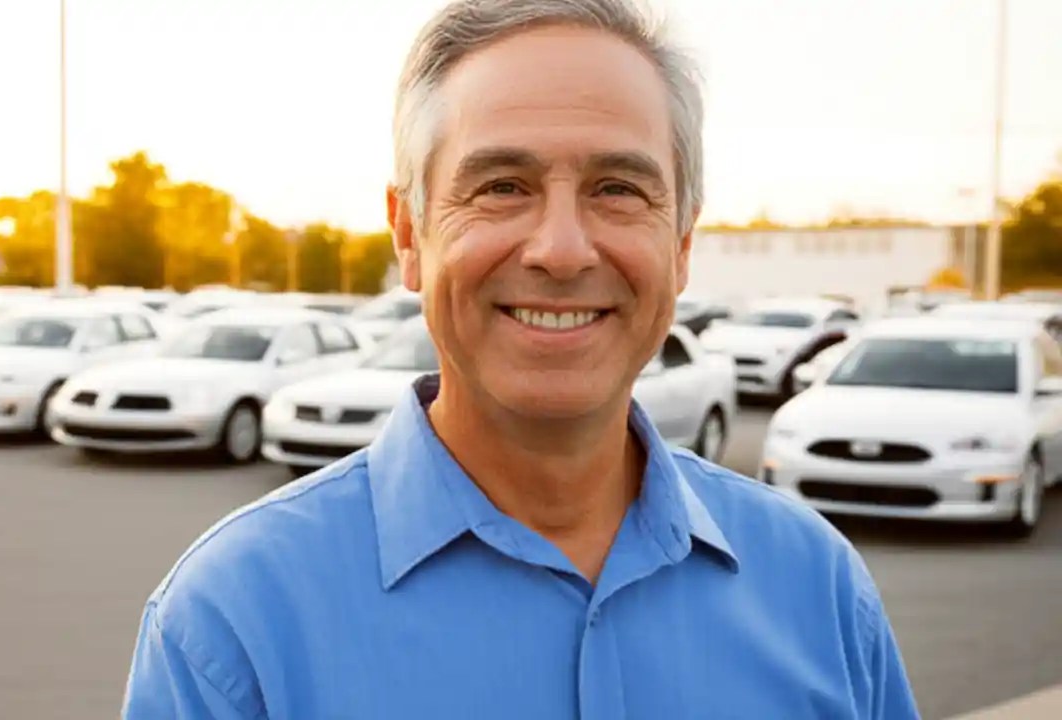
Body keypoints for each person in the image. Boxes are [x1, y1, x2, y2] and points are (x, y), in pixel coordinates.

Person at [122, 0, 921, 717]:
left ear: (682, 242)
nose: (562, 250)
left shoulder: (818, 589)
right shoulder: (235, 622)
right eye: (502, 186)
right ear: (408, 234)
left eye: (618, 188)